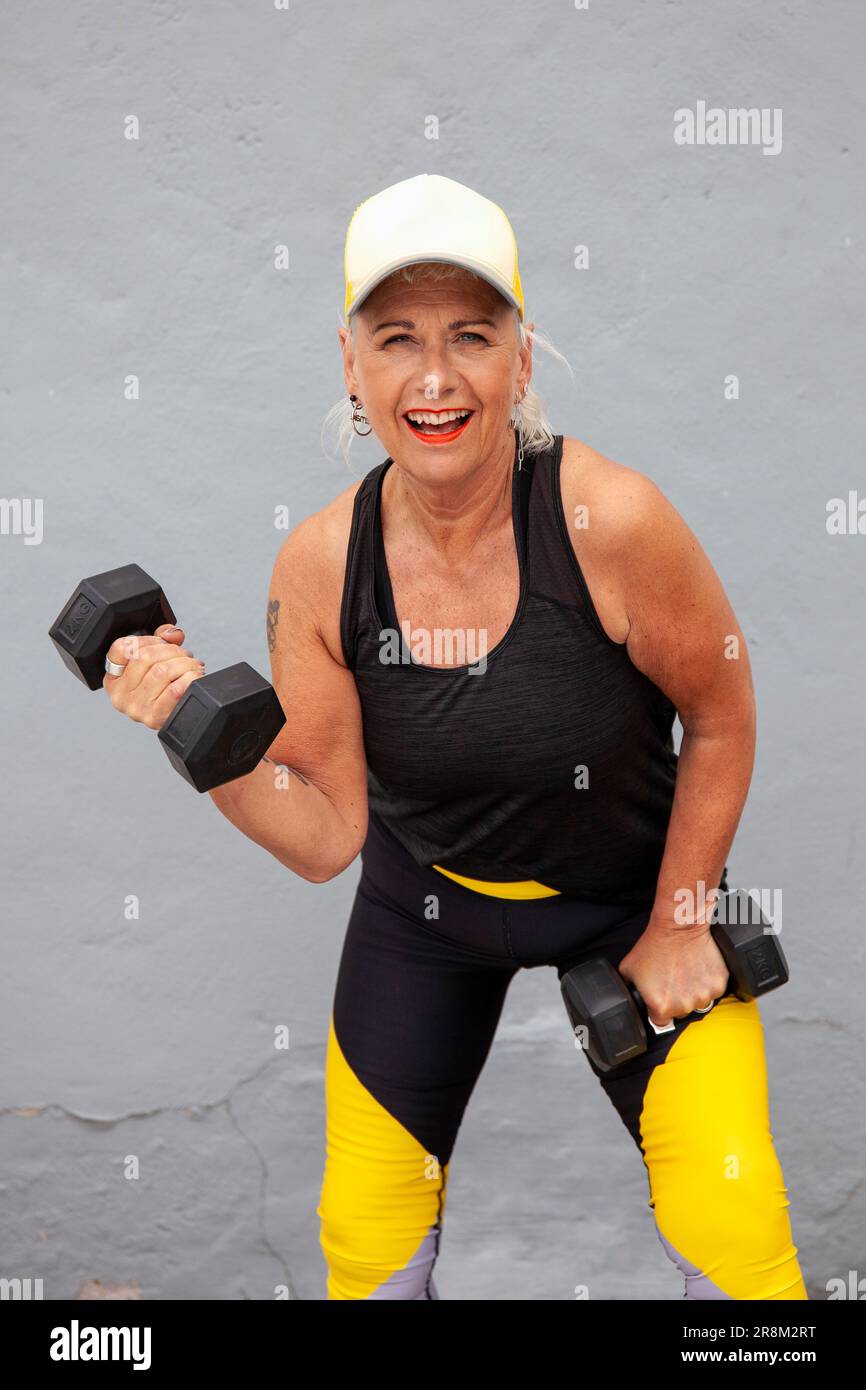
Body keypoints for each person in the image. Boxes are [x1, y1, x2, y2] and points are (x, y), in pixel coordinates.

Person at [102, 173, 807, 1301]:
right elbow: (327, 833)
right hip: (422, 914)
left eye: (470, 335)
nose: (433, 377)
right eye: (395, 340)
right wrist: (187, 728)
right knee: (364, 1247)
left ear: (520, 360)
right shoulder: (323, 567)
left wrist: (681, 920)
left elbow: (720, 709)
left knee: (737, 1240)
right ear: (349, 364)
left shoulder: (608, 519)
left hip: (634, 901)